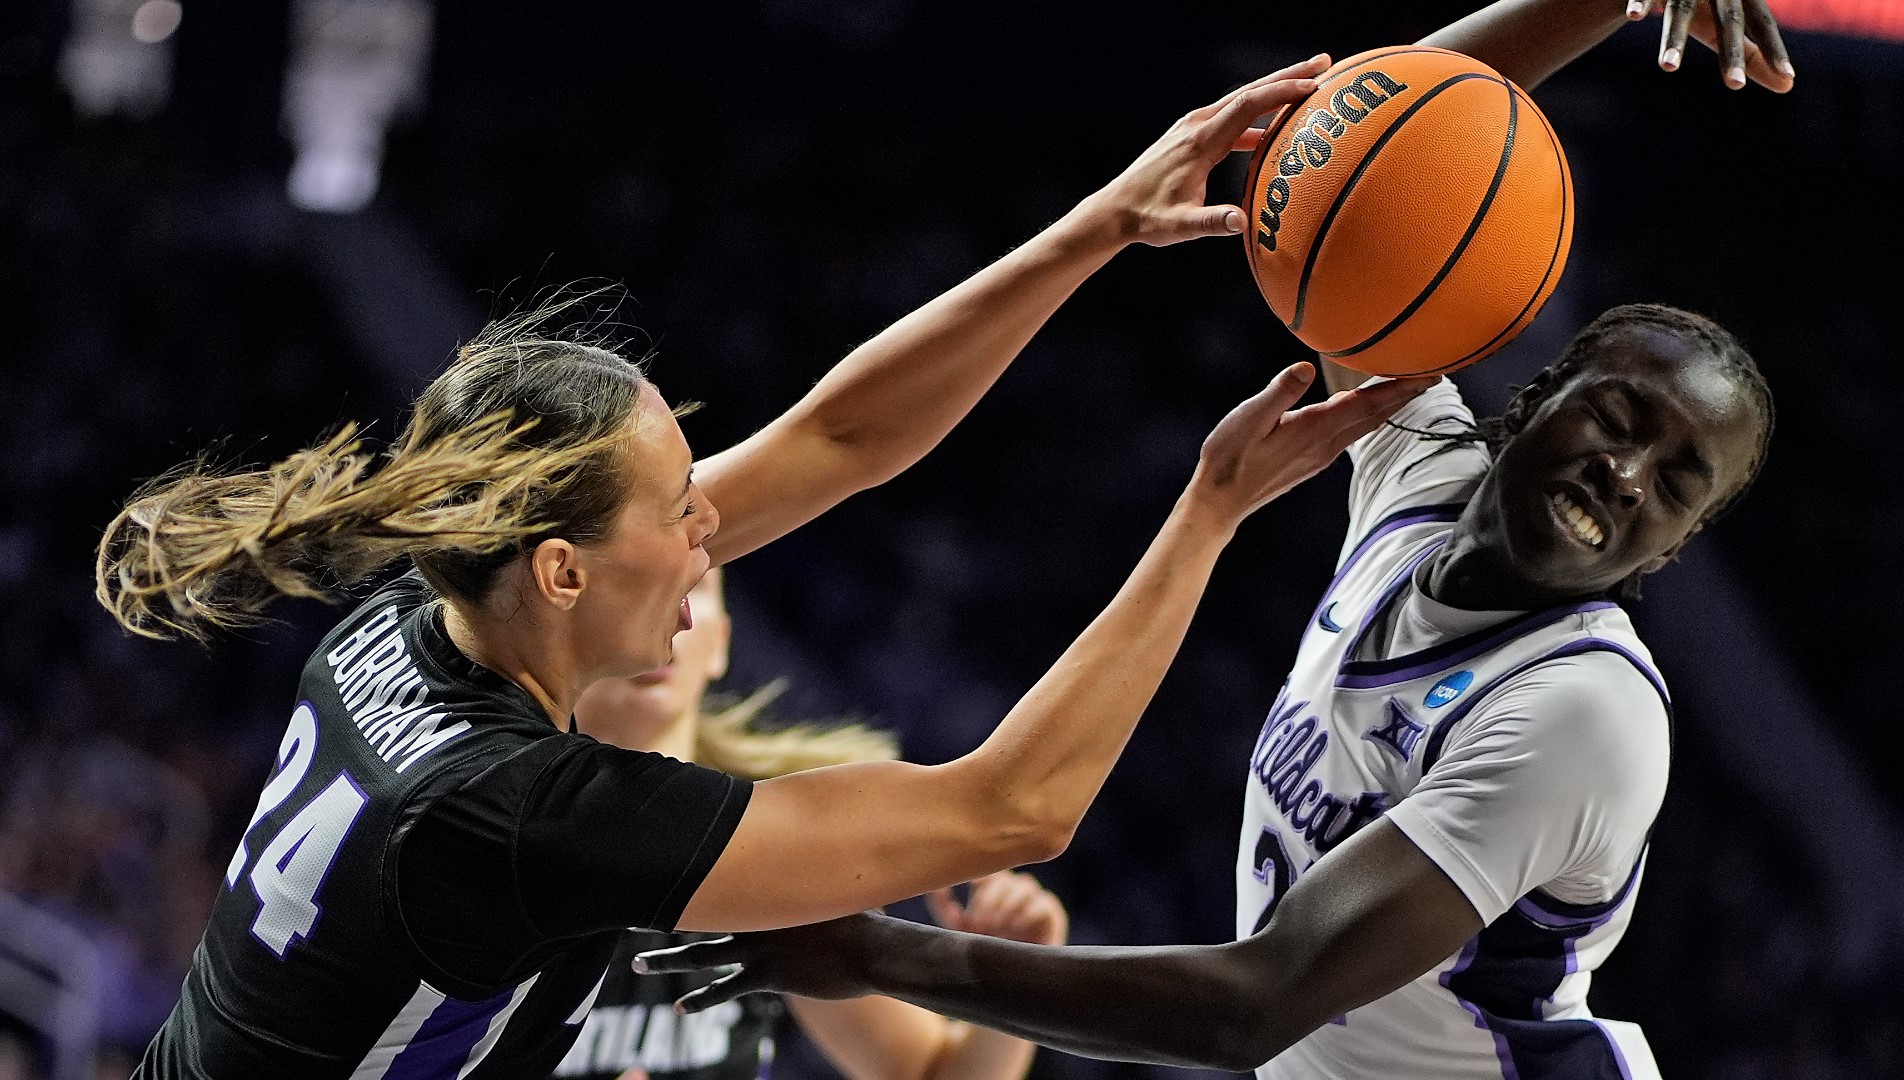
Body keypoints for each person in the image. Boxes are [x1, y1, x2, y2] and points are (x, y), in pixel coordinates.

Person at [95, 52, 1434, 1079]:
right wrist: (1213, 505)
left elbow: (837, 438)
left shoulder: (428, 603)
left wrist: (1096, 228)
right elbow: (1011, 811)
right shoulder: (528, 809)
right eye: (677, 512)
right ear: (561, 573)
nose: (711, 535)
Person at [631, 3, 1790, 1079]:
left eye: (1677, 483)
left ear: (1671, 548)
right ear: (1533, 398)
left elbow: (1257, 999)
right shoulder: (1423, 474)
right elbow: (1386, 153)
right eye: (1620, 419)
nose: (1626, 474)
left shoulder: (1585, 711)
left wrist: (884, 956)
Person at [556, 570, 1068, 1080]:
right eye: (629, 584)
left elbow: (932, 1073)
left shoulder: (778, 853)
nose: (667, 612)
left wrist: (1014, 975)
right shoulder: (493, 825)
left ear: (721, 644)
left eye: (693, 586)